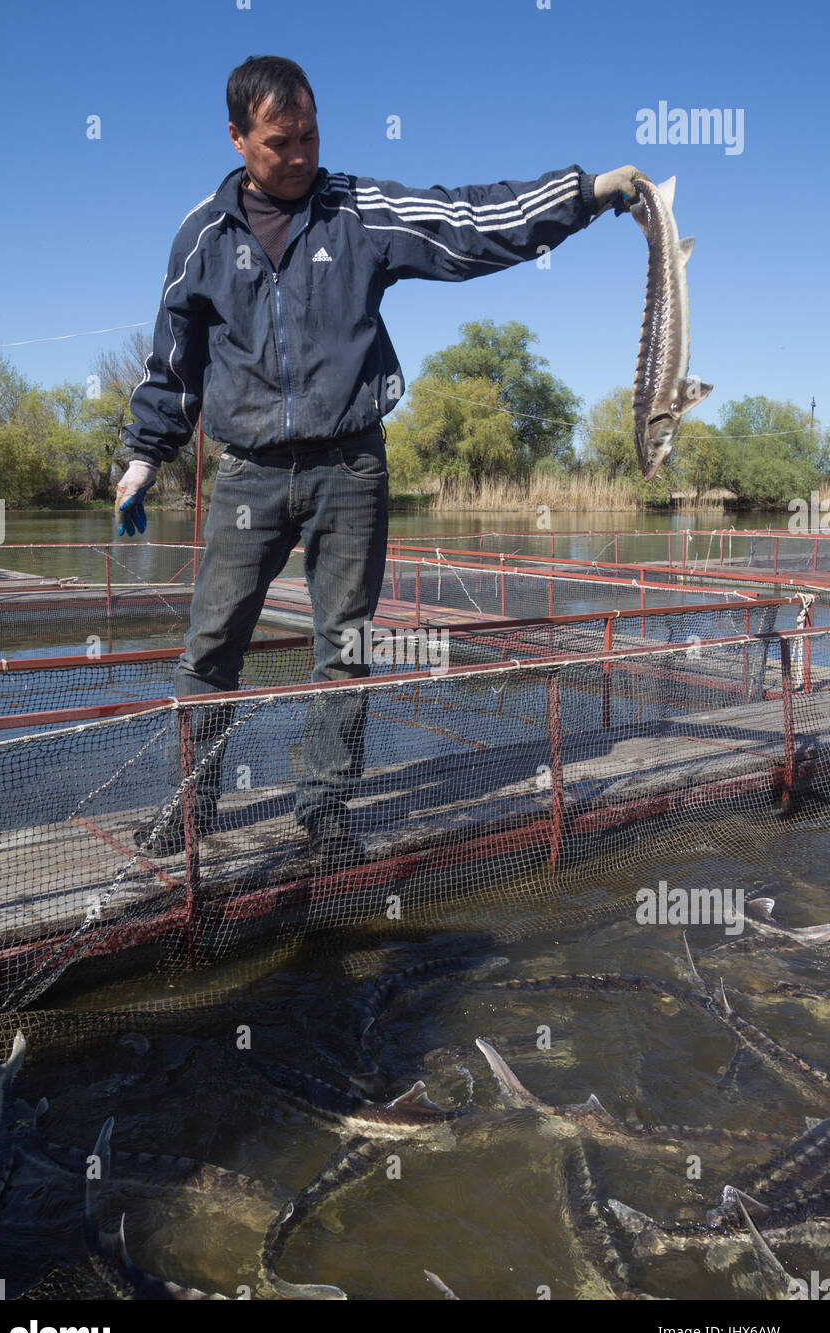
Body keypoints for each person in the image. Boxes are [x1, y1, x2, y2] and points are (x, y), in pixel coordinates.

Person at [116, 53, 645, 868]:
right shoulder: (203, 237)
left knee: (347, 645)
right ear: (236, 137)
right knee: (210, 646)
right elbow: (174, 363)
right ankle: (190, 809)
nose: (300, 156)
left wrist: (585, 192)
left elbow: (467, 222)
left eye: (311, 136)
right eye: (279, 142)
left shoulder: (356, 209)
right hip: (248, 473)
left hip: (350, 468)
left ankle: (323, 813)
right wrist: (145, 456)